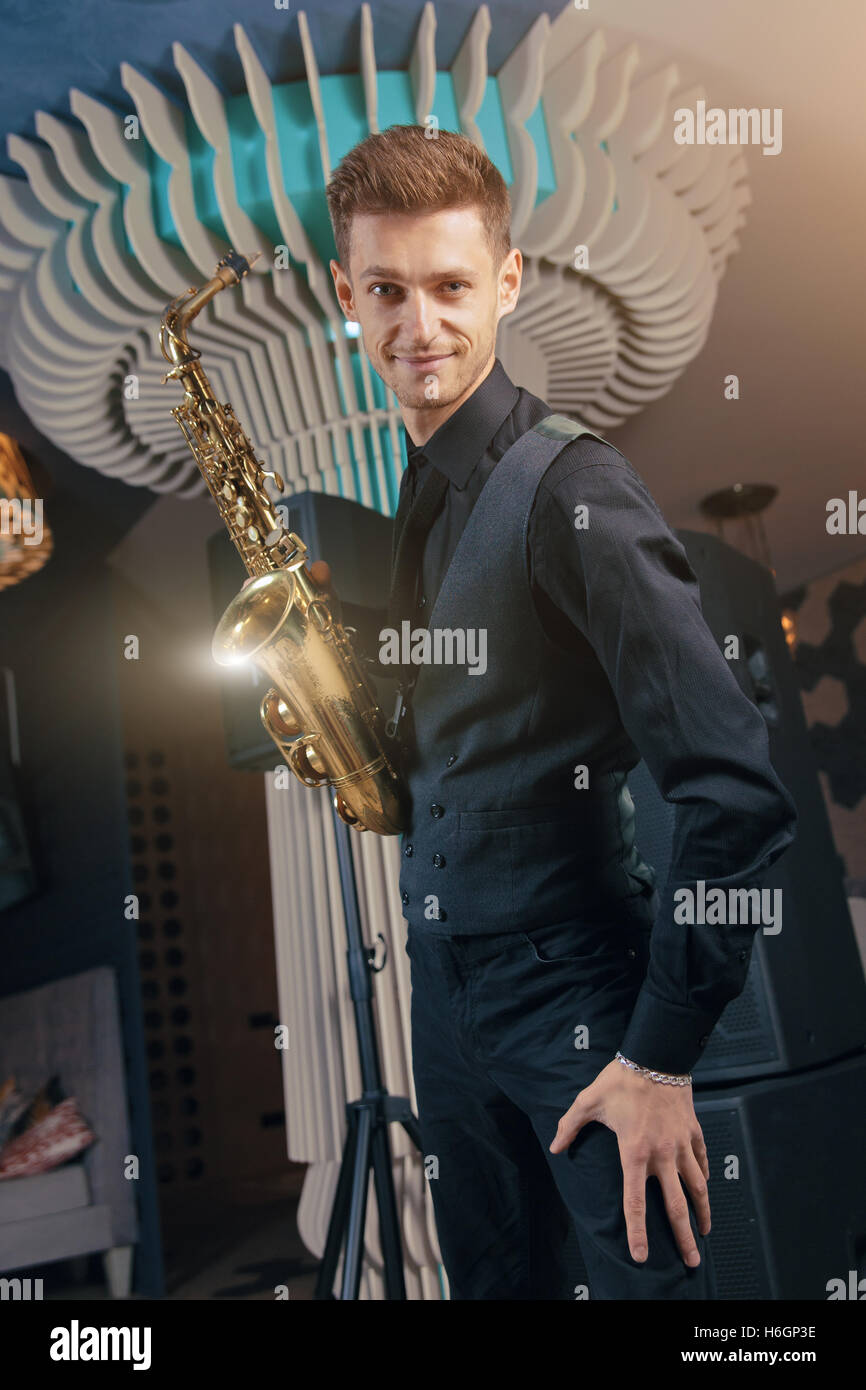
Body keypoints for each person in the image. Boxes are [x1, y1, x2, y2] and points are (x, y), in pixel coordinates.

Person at [311, 124, 798, 1300]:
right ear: (343, 293)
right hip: (444, 988)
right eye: (385, 290)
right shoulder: (422, 491)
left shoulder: (575, 488)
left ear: (508, 280)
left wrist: (658, 1056)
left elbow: (734, 788)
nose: (417, 326)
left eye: (449, 286)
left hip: (574, 986)